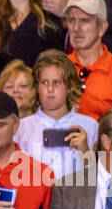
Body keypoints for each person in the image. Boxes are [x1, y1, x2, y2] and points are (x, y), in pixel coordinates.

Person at [15, 49, 99, 179]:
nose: (50, 89)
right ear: (36, 87)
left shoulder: (91, 126)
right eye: (44, 82)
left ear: (69, 86)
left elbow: (104, 180)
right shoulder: (21, 128)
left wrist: (85, 151)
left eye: (56, 82)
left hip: (76, 197)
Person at [62, 0, 112, 120]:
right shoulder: (59, 68)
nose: (76, 28)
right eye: (72, 20)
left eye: (84, 20)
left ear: (102, 27)